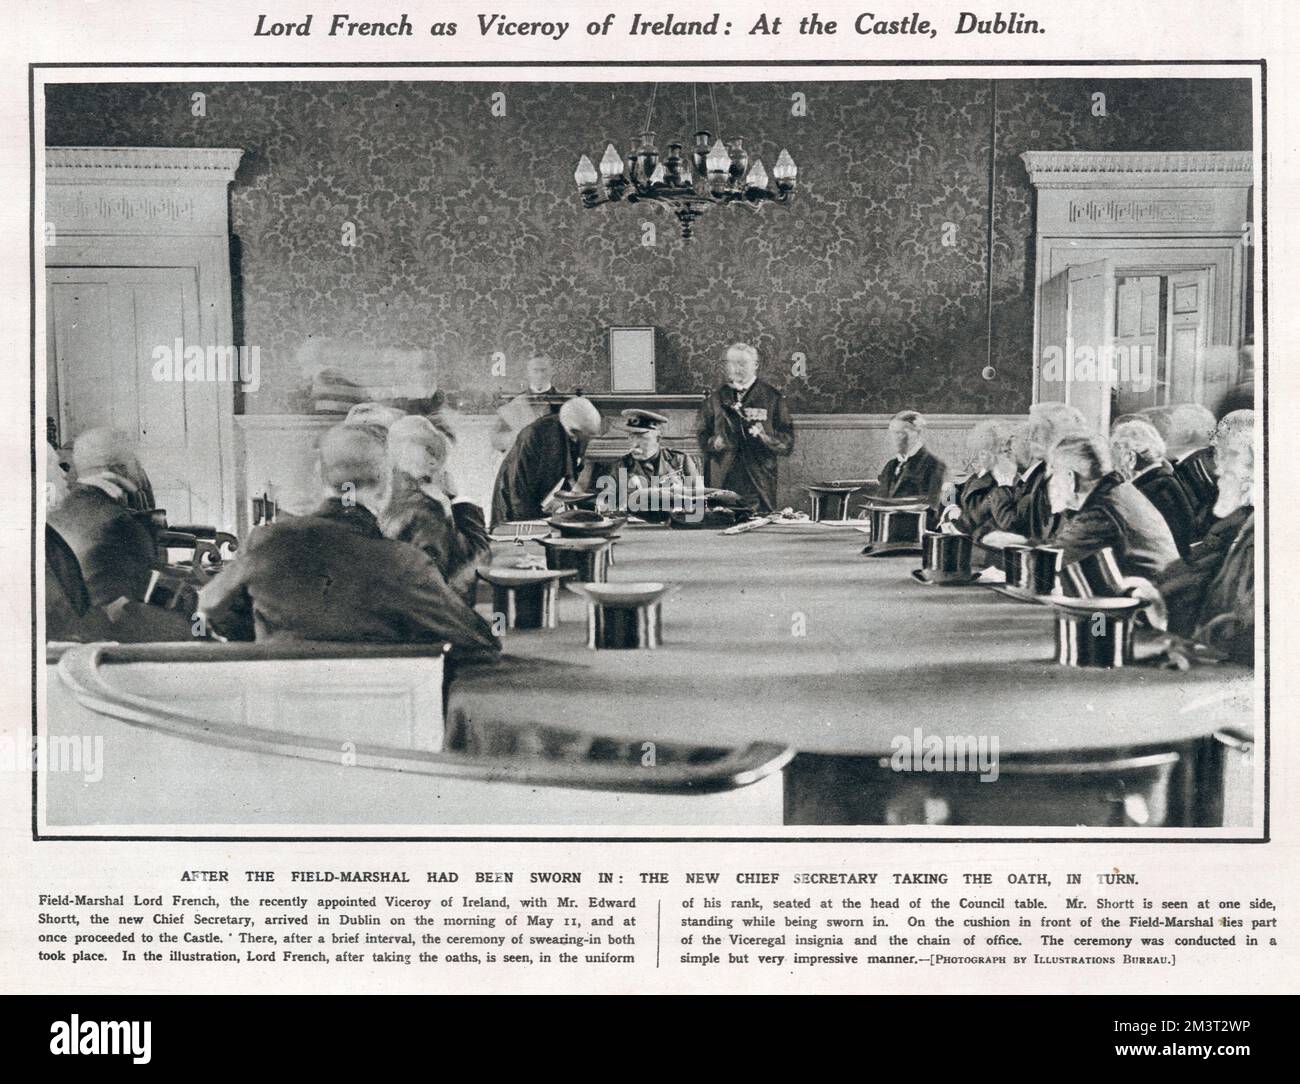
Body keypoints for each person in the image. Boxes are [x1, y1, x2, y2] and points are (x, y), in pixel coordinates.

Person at [198, 424, 499, 657]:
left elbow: (210, 610)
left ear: (319, 476)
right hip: (382, 723)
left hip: (280, 717)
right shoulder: (404, 563)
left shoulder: (266, 543)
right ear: (385, 485)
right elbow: (478, 641)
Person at [1127, 410, 1255, 665]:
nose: (1218, 468)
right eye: (1216, 453)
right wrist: (1152, 593)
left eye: (1229, 454)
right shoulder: (1235, 521)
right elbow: (1193, 574)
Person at [381, 414, 491, 604]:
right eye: (435, 455)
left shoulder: (383, 497)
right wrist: (459, 504)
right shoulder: (427, 509)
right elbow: (475, 564)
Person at [48, 428, 161, 607]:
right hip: (110, 627)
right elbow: (142, 600)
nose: (139, 471)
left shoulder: (54, 516)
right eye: (135, 464)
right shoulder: (122, 525)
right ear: (120, 469)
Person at [1045, 434, 1179, 578]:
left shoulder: (1098, 513)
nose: (1051, 482)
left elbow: (1047, 566)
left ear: (1070, 477)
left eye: (1054, 473)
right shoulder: (1120, 490)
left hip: (1152, 595)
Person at [698, 343, 795, 513]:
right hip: (723, 477)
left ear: (755, 365)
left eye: (742, 364)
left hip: (758, 479)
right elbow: (703, 435)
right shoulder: (716, 397)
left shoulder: (772, 397)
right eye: (731, 363)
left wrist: (766, 438)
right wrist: (715, 442)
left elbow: (787, 442)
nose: (735, 368)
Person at [982, 402, 1088, 546]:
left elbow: (1068, 543)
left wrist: (1024, 542)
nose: (1031, 437)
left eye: (1037, 430)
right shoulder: (1045, 476)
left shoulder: (1073, 478)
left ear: (1059, 435)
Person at [491, 396, 603, 525]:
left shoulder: (569, 431)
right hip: (511, 503)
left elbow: (571, 473)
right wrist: (530, 524)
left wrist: (561, 500)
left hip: (531, 500)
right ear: (574, 432)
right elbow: (517, 489)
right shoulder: (535, 436)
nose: (590, 442)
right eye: (588, 437)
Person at [1109, 417, 1196, 555]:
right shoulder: (1164, 481)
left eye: (1115, 462)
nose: (1115, 469)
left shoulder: (1149, 491)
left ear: (1131, 458)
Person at [592, 409, 702, 517]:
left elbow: (700, 498)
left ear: (658, 439)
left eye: (642, 438)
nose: (634, 444)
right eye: (631, 437)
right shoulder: (619, 467)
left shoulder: (680, 461)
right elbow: (604, 505)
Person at [1142, 402, 1219, 532]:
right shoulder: (1199, 462)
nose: (1165, 432)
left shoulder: (1195, 468)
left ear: (1187, 435)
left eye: (1171, 426)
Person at [939, 419, 1011, 536]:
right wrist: (950, 502)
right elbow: (956, 488)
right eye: (980, 452)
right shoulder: (980, 474)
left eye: (1005, 451)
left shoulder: (1000, 481)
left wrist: (953, 515)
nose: (979, 457)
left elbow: (975, 519)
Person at [491, 354, 561, 454]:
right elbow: (496, 440)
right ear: (528, 373)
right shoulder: (514, 404)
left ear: (552, 371)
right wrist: (519, 436)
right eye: (535, 371)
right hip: (525, 461)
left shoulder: (566, 403)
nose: (540, 375)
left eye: (544, 370)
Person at [876, 410, 946, 504]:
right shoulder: (890, 465)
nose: (893, 438)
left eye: (900, 433)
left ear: (917, 433)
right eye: (892, 433)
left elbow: (934, 507)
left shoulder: (934, 465)